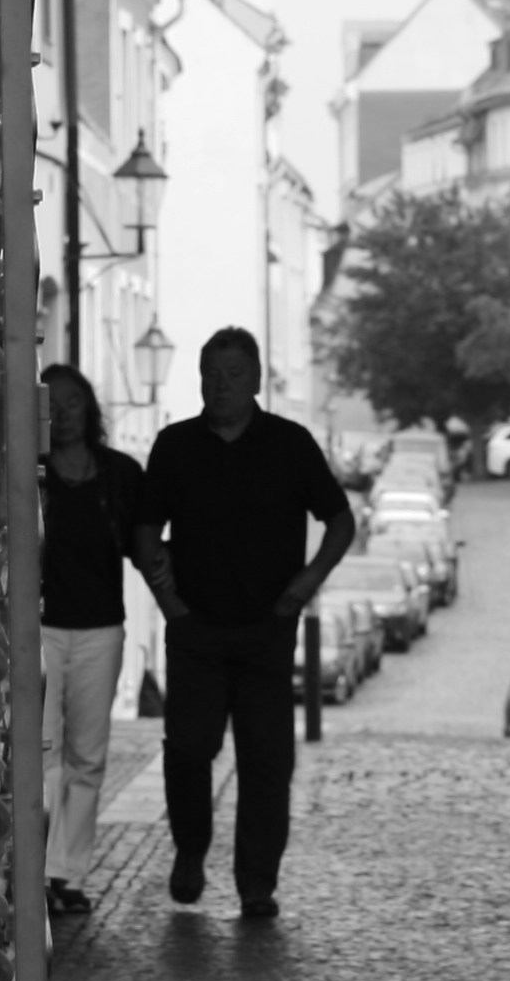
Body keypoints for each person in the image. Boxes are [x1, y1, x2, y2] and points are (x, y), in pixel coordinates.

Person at [136, 327, 355, 921]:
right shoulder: (175, 445)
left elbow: (340, 520)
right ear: (200, 378)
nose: (222, 384)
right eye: (212, 373)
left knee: (266, 762)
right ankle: (190, 851)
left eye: (234, 373)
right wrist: (168, 602)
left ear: (256, 379)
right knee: (186, 751)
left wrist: (305, 586)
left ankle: (257, 884)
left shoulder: (289, 443)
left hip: (267, 629)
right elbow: (144, 531)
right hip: (196, 627)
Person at [35, 361, 160, 921]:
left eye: (72, 403)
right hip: (37, 627)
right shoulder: (29, 474)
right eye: (52, 405)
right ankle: (36, 869)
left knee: (88, 756)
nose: (62, 415)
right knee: (43, 753)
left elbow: (145, 547)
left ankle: (69, 872)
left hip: (100, 628)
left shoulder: (119, 474)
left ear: (90, 409)